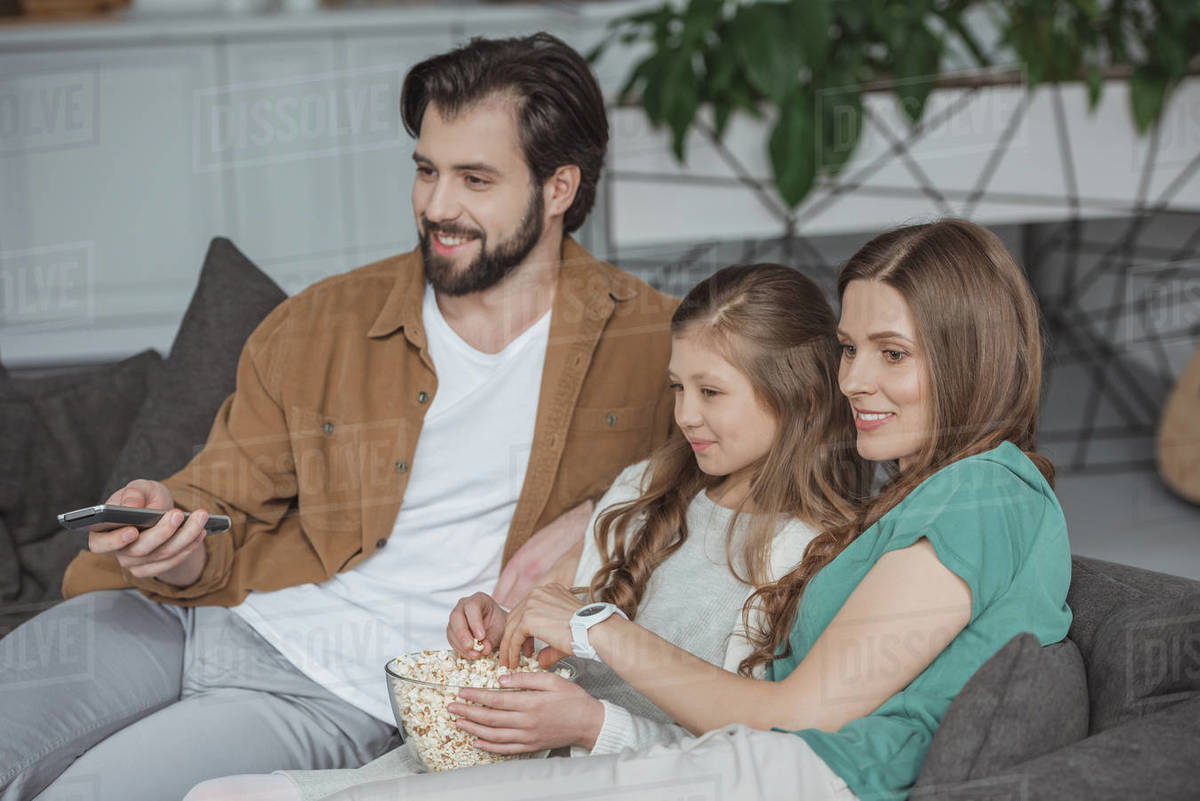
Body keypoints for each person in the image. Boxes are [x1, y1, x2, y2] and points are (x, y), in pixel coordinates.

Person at [0, 34, 678, 801]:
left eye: (474, 179)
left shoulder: (652, 340)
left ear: (559, 188)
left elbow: (770, 453)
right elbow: (222, 495)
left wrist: (601, 509)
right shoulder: (324, 320)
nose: (437, 205)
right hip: (179, 616)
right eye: (426, 170)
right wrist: (171, 539)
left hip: (333, 693)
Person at [266, 218, 1073, 801]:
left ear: (972, 355)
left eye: (890, 354)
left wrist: (593, 626)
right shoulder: (931, 495)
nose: (854, 380)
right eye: (850, 350)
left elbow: (798, 710)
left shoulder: (985, 490)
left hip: (795, 772)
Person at [185, 262, 869, 800]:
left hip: (596, 776)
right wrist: (500, 625)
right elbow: (556, 630)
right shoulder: (645, 491)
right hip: (497, 754)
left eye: (711, 392)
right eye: (675, 388)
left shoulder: (807, 550)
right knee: (213, 793)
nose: (685, 415)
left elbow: (744, 755)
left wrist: (589, 725)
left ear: (796, 390)